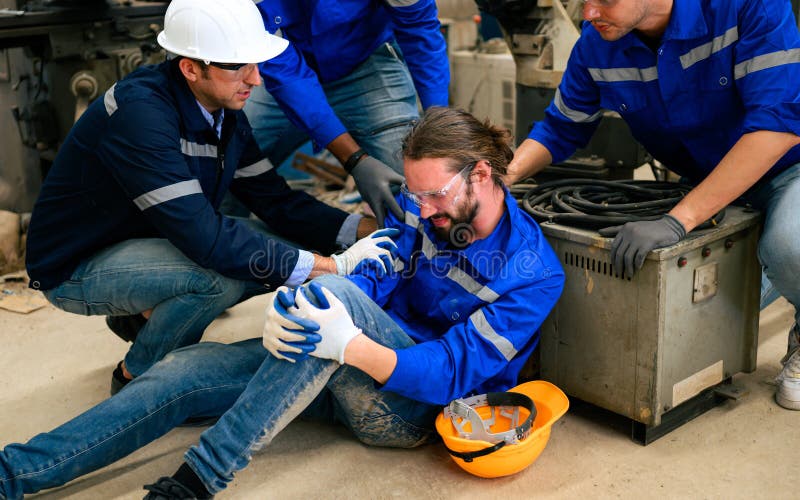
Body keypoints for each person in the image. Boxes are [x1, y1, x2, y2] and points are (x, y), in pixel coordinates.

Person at [0, 107, 564, 499]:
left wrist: (347, 338)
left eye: (432, 196)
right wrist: (298, 308)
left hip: (407, 408)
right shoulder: (426, 209)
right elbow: (376, 279)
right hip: (343, 364)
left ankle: (200, 478)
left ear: (482, 175)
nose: (421, 209)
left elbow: (447, 376)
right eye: (414, 196)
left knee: (332, 299)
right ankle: (16, 471)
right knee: (182, 372)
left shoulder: (534, 274)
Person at [23, 0, 396, 395]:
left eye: (254, 63)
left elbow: (277, 202)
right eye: (237, 66)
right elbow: (207, 240)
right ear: (190, 68)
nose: (255, 80)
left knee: (283, 251)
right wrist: (331, 268)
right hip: (76, 265)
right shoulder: (142, 115)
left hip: (148, 240)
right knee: (217, 276)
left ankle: (140, 318)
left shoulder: (223, 112)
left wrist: (361, 231)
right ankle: (137, 379)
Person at [504, 0, 800, 410]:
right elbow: (561, 125)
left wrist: (680, 220)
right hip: (701, 182)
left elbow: (776, 127)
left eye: (603, 0)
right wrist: (506, 174)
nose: (588, 14)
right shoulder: (598, 43)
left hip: (788, 170)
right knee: (697, 311)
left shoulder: (749, 6)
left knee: (788, 248)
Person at [238, 0, 450, 227]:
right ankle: (225, 241)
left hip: (366, 63)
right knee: (231, 153)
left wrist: (438, 125)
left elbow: (418, 26)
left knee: (415, 178)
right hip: (276, 69)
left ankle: (418, 252)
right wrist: (355, 160)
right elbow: (285, 72)